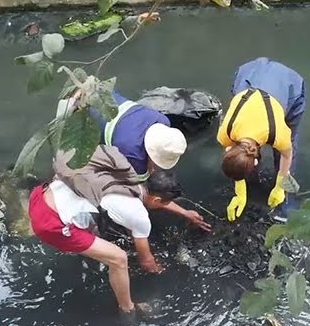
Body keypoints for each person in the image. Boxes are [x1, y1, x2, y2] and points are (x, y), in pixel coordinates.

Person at [27, 146, 187, 313]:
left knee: (96, 226)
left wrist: (185, 213)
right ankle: (128, 309)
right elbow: (146, 261)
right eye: (165, 204)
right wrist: (160, 270)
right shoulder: (138, 215)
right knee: (119, 258)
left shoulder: (123, 174)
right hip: (50, 224)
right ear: (157, 200)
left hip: (40, 195)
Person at [57, 88, 210, 231]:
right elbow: (141, 195)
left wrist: (185, 212)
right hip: (77, 116)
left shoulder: (162, 121)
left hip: (95, 91)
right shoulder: (131, 154)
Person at [217, 57, 305, 222]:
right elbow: (233, 154)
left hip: (285, 83)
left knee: (284, 151)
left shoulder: (277, 134)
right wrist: (240, 191)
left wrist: (280, 185)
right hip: (249, 75)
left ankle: (285, 204)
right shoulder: (225, 133)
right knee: (244, 165)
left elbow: (287, 155)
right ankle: (250, 181)